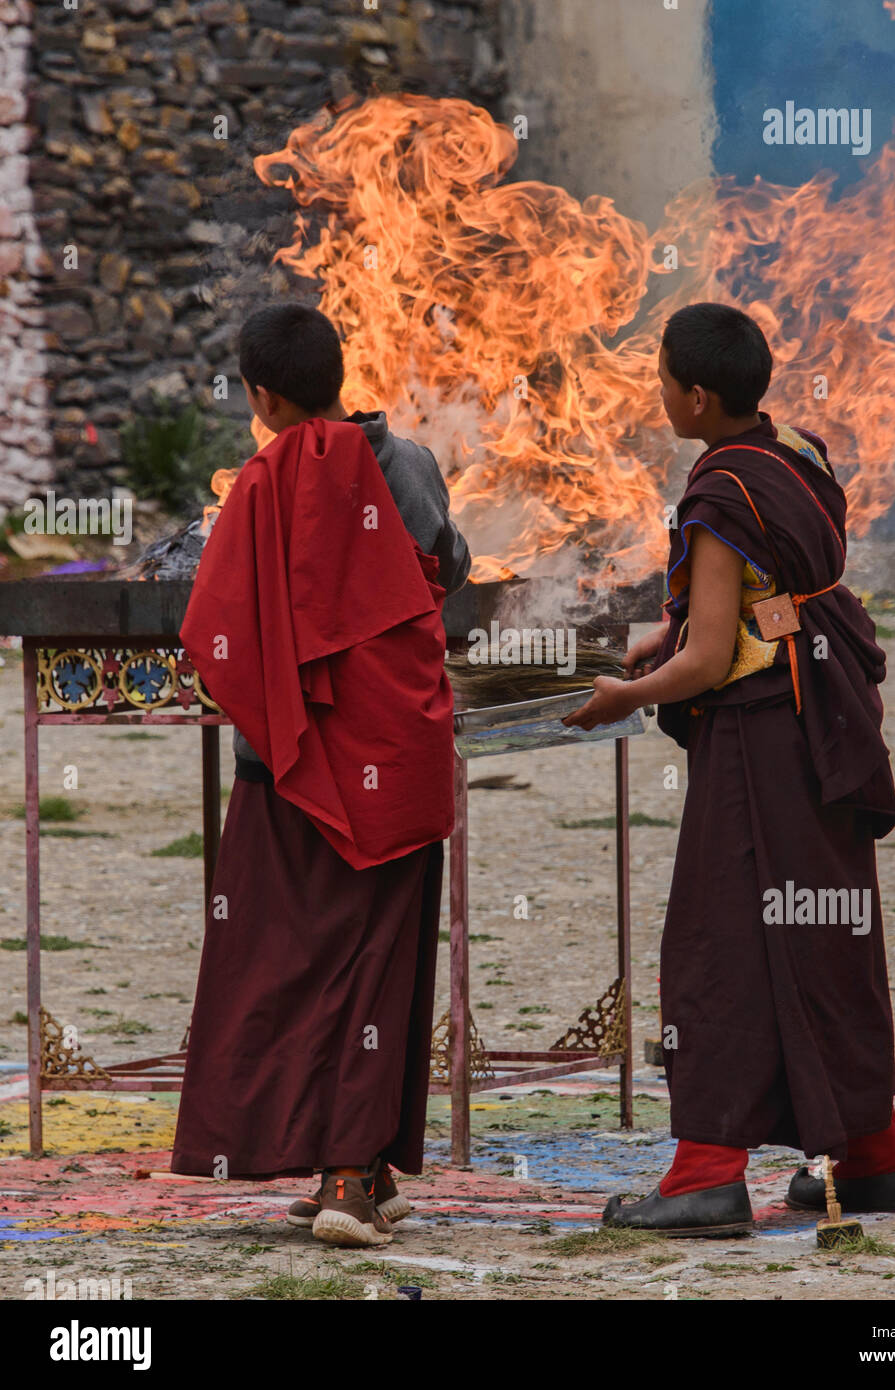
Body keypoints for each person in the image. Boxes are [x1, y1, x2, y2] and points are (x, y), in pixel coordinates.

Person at [564, 302, 895, 1236]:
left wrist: (624, 695)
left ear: (699, 395)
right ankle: (876, 1161)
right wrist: (667, 632)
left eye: (667, 382)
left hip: (762, 744)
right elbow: (778, 595)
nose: (660, 395)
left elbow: (711, 662)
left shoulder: (718, 494)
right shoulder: (796, 452)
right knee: (825, 939)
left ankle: (705, 1178)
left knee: (718, 945)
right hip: (828, 728)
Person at [170, 303, 471, 1248]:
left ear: (260, 395)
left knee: (289, 965)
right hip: (392, 751)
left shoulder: (257, 483)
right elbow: (445, 570)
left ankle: (344, 1177)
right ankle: (360, 1172)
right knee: (375, 963)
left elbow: (215, 629)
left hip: (292, 769)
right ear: (341, 374)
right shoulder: (411, 465)